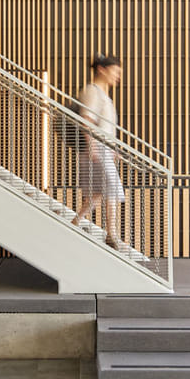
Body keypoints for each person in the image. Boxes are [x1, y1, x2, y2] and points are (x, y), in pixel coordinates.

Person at [72, 54, 128, 250]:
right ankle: (111, 234)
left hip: (102, 148)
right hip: (95, 148)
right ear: (102, 70)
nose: (118, 76)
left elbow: (106, 127)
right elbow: (86, 119)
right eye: (116, 71)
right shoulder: (92, 91)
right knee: (112, 188)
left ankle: (76, 222)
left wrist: (113, 148)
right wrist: (92, 146)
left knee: (97, 193)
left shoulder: (104, 94)